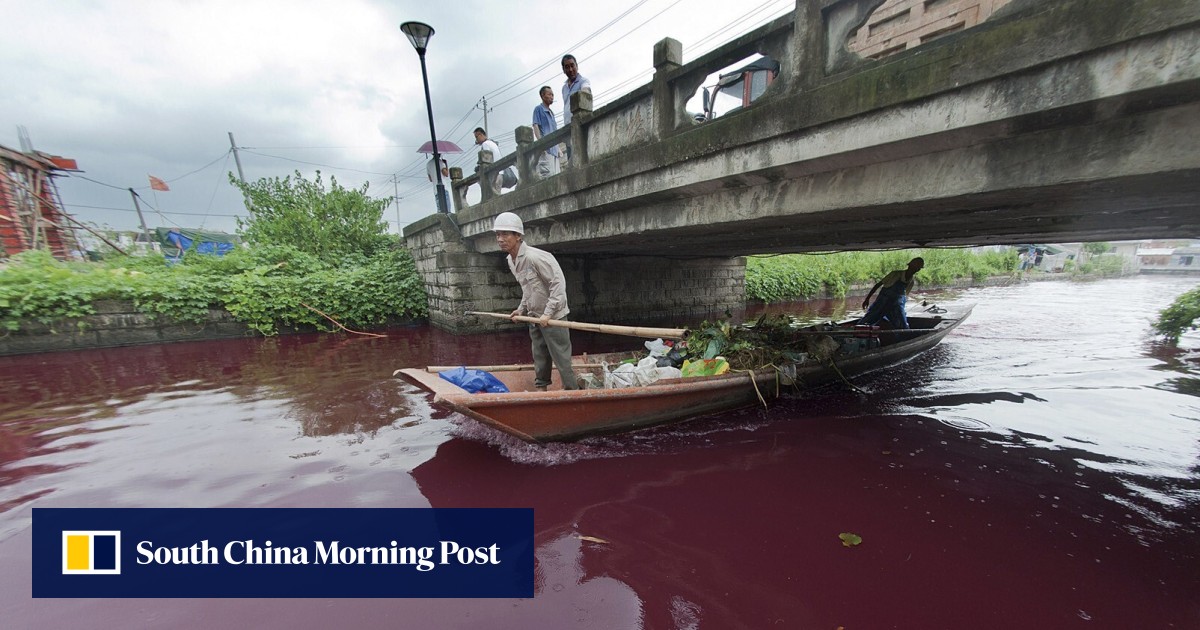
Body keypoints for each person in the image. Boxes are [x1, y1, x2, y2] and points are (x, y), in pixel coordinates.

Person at [494, 211, 578, 391]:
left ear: (518, 236)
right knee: (539, 354)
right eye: (498, 234)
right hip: (534, 316)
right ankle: (541, 387)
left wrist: (548, 314)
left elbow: (558, 286)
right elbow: (528, 288)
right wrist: (521, 309)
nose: (500, 239)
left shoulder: (535, 257)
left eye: (505, 234)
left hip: (553, 315)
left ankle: (572, 391)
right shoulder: (511, 260)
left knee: (561, 357)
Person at [860, 257, 924, 329]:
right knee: (869, 319)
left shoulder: (911, 281)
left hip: (895, 307)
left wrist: (901, 310)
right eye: (915, 267)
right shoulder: (894, 274)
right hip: (881, 304)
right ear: (909, 266)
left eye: (918, 268)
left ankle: (901, 336)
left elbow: (903, 297)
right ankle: (857, 332)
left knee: (902, 325)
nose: (915, 270)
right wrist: (867, 299)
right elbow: (878, 285)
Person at [560, 54, 591, 165]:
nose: (571, 69)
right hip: (569, 129)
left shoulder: (583, 81)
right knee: (571, 163)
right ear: (563, 70)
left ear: (577, 66)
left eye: (572, 65)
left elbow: (586, 91)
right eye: (567, 67)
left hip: (581, 126)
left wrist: (583, 93)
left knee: (581, 161)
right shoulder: (564, 88)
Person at [531, 86, 560, 177]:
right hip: (546, 149)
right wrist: (541, 144)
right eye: (549, 94)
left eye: (553, 95)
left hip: (554, 150)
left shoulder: (551, 113)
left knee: (557, 176)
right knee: (548, 175)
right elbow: (536, 126)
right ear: (543, 96)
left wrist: (558, 148)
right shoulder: (538, 109)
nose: (552, 97)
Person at [472, 127, 503, 191]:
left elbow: (486, 159)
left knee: (491, 198)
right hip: (500, 173)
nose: (476, 140)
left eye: (476, 137)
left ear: (481, 135)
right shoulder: (492, 143)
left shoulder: (485, 144)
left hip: (493, 174)